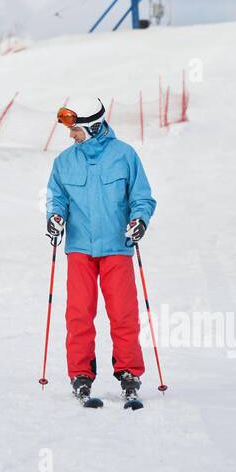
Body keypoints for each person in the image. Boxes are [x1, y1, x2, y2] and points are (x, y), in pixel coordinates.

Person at [45, 98, 156, 407]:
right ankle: (80, 374)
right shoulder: (64, 162)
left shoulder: (125, 156)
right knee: (79, 314)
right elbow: (57, 197)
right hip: (80, 248)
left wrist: (140, 220)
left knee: (123, 314)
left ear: (93, 127)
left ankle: (129, 373)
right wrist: (55, 217)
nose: (71, 136)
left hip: (117, 247)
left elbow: (142, 196)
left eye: (75, 130)